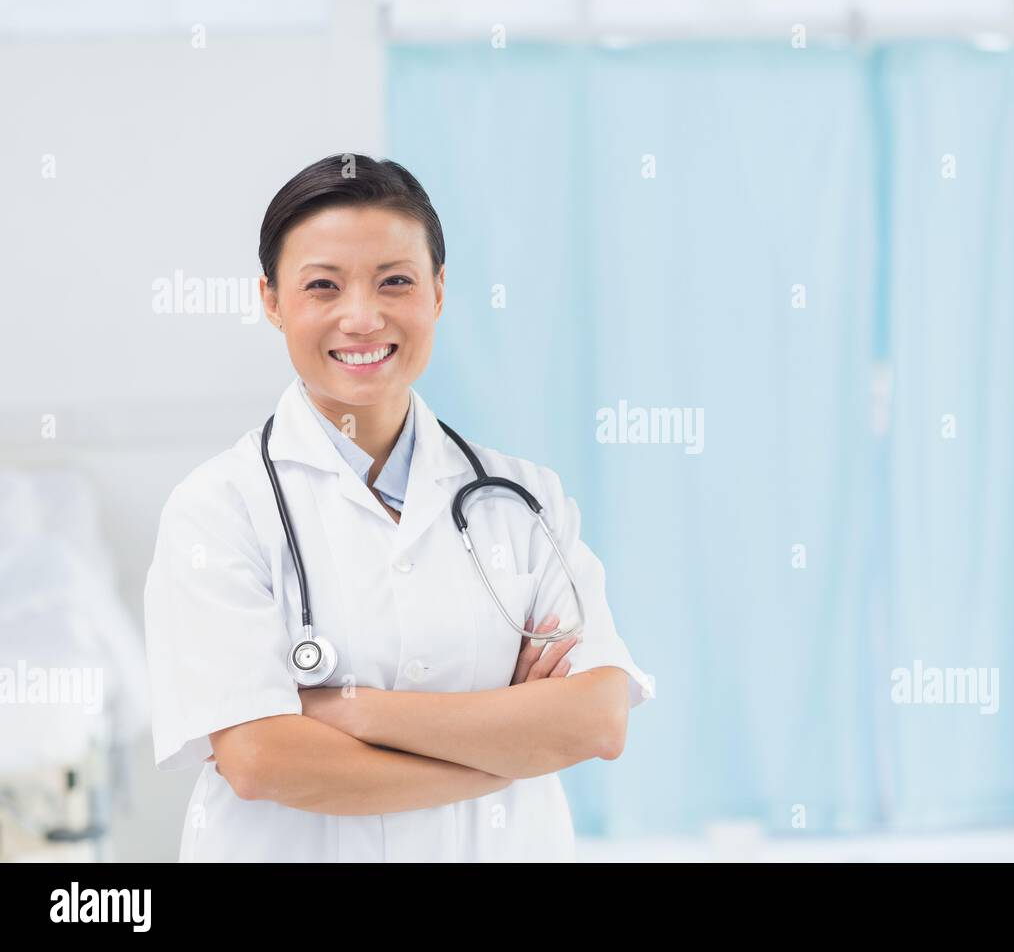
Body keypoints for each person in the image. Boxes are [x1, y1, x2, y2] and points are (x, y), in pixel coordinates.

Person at [143, 153, 654, 861]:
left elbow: (596, 721)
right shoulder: (218, 510)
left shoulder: (524, 501)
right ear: (271, 301)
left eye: (396, 283)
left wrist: (342, 709)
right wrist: (506, 747)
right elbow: (261, 760)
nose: (362, 316)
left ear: (438, 292)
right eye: (323, 285)